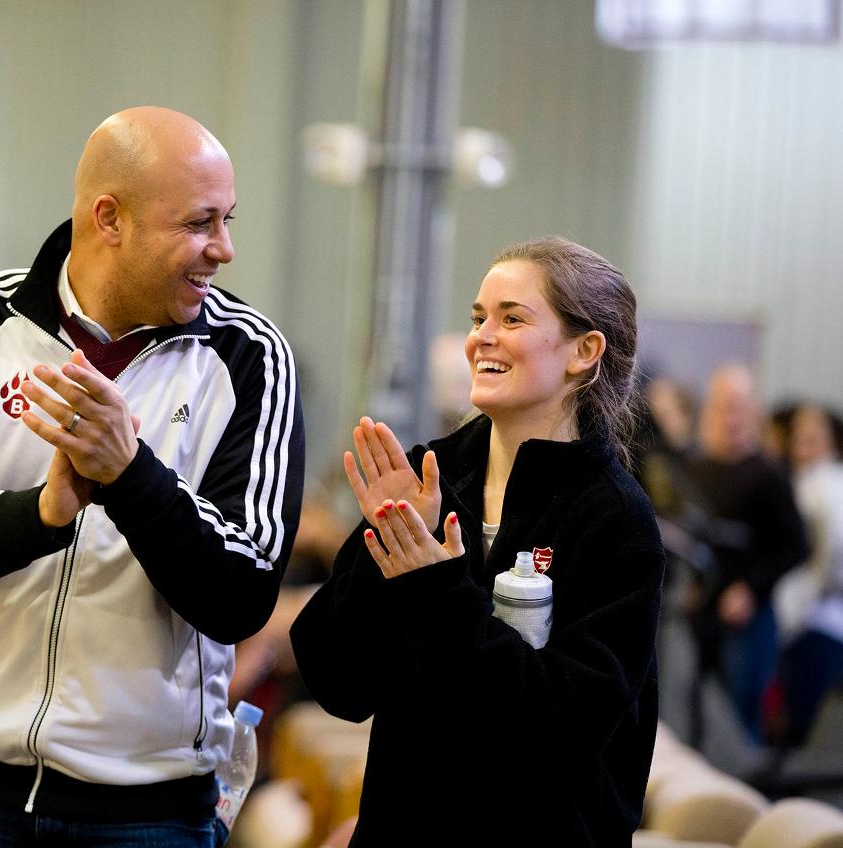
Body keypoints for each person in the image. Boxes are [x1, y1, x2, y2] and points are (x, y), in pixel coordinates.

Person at [0, 106, 305, 847]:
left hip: (149, 808)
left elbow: (242, 593)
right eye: (199, 223)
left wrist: (129, 476)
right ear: (110, 218)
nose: (223, 248)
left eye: (227, 220)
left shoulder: (250, 356)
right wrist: (41, 515)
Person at [290, 238, 665, 846]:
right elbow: (338, 682)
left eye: (512, 318)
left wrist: (435, 586)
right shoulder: (428, 478)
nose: (481, 337)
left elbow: (557, 728)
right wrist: (382, 559)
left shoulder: (616, 518)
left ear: (583, 351)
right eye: (478, 317)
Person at [681, 364, 808, 743]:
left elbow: (796, 547)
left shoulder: (769, 476)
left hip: (748, 620)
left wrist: (750, 589)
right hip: (701, 613)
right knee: (697, 715)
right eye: (722, 406)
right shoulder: (696, 469)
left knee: (738, 724)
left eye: (739, 406)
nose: (730, 417)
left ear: (754, 412)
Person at [774, 403, 843, 745]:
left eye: (813, 439)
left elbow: (833, 557)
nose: (803, 447)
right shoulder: (803, 482)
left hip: (817, 622)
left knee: (796, 731)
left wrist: (811, 595)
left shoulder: (826, 485)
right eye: (799, 438)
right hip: (806, 619)